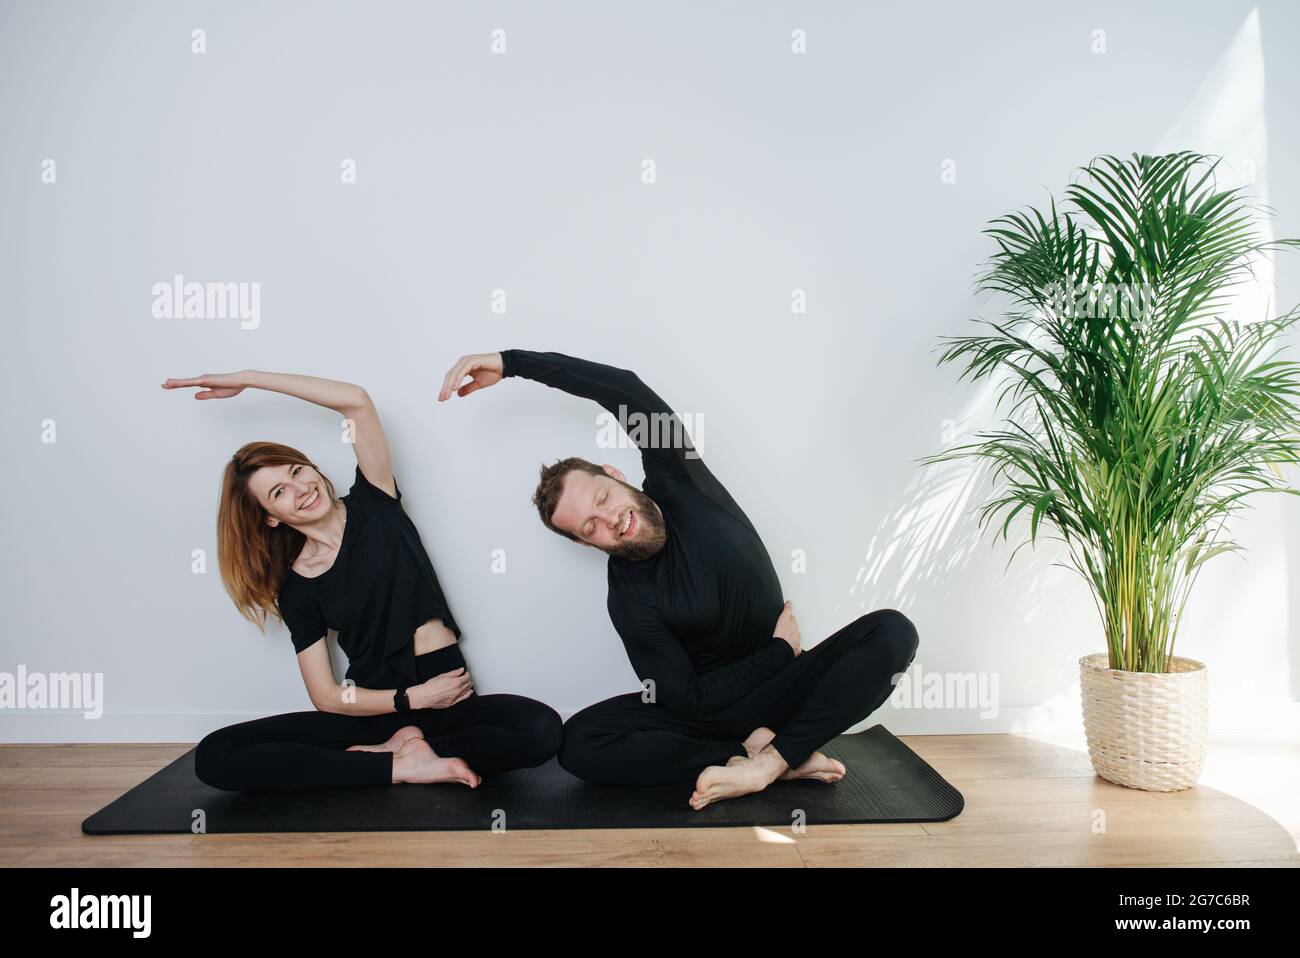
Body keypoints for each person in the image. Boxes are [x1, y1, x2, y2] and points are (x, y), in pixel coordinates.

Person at [438, 350, 920, 810]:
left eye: (603, 499)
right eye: (591, 527)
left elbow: (624, 389)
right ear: (586, 544)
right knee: (583, 742)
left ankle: (768, 761)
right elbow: (683, 699)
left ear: (615, 474)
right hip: (716, 712)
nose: (611, 521)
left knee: (893, 632)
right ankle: (774, 754)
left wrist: (513, 363)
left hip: (790, 685)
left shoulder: (680, 481)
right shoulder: (627, 597)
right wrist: (777, 650)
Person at [163, 369, 561, 791]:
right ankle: (401, 763)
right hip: (375, 714)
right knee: (215, 754)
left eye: (296, 471)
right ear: (270, 518)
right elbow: (327, 695)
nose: (299, 489)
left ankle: (411, 746)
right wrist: (412, 700)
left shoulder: (375, 501)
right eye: (278, 492)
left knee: (540, 729)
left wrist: (249, 379)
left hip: (449, 702)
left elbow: (354, 400)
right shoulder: (296, 586)